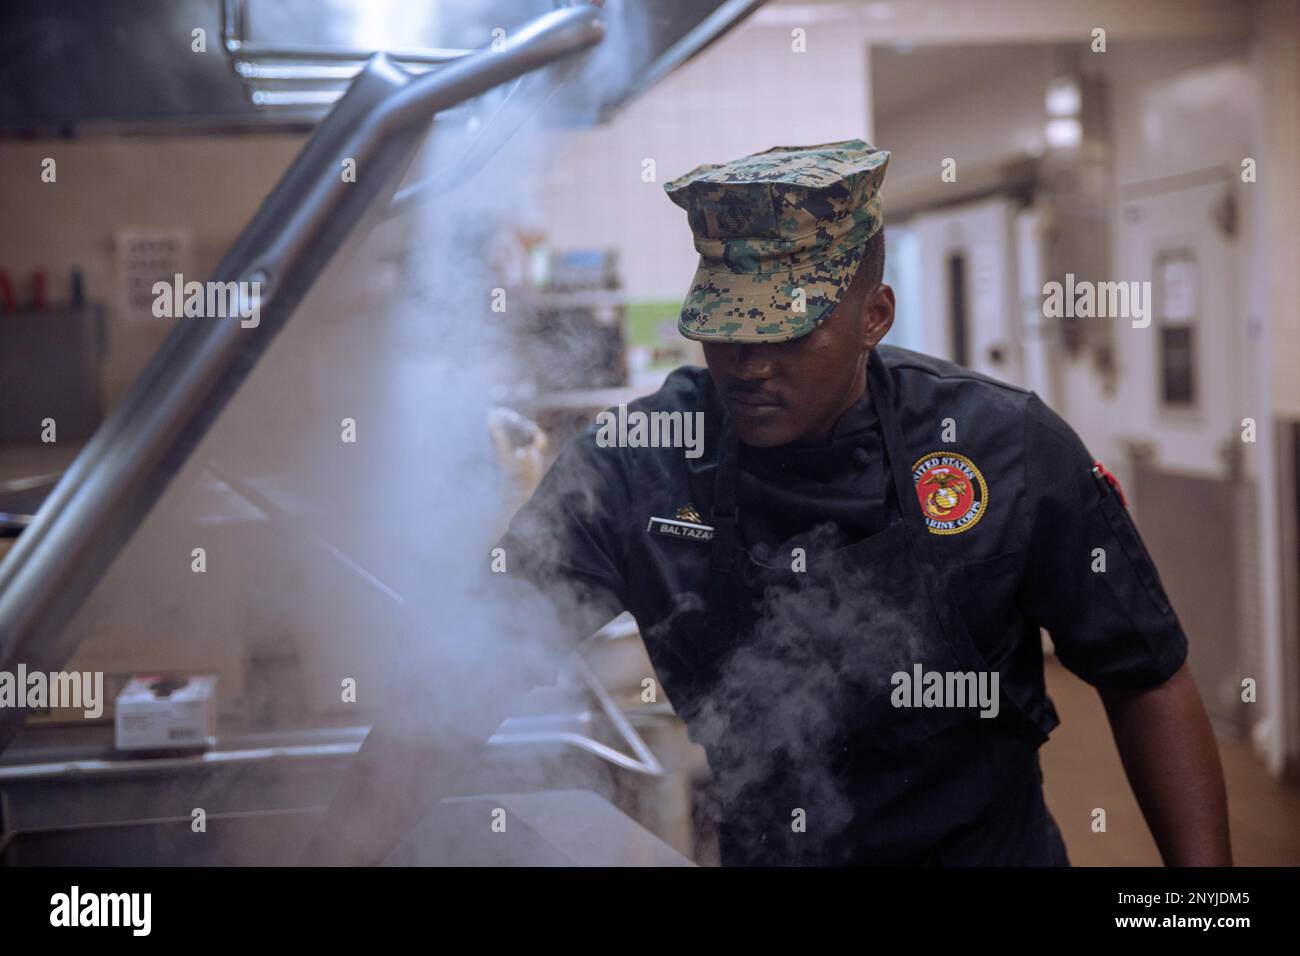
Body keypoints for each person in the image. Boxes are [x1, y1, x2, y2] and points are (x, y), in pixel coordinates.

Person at [308, 139, 1231, 866]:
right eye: (723, 327)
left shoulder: (1004, 449)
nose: (748, 363)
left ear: (875, 316)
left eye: (786, 331)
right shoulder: (639, 471)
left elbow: (1143, 671)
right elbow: (450, 696)